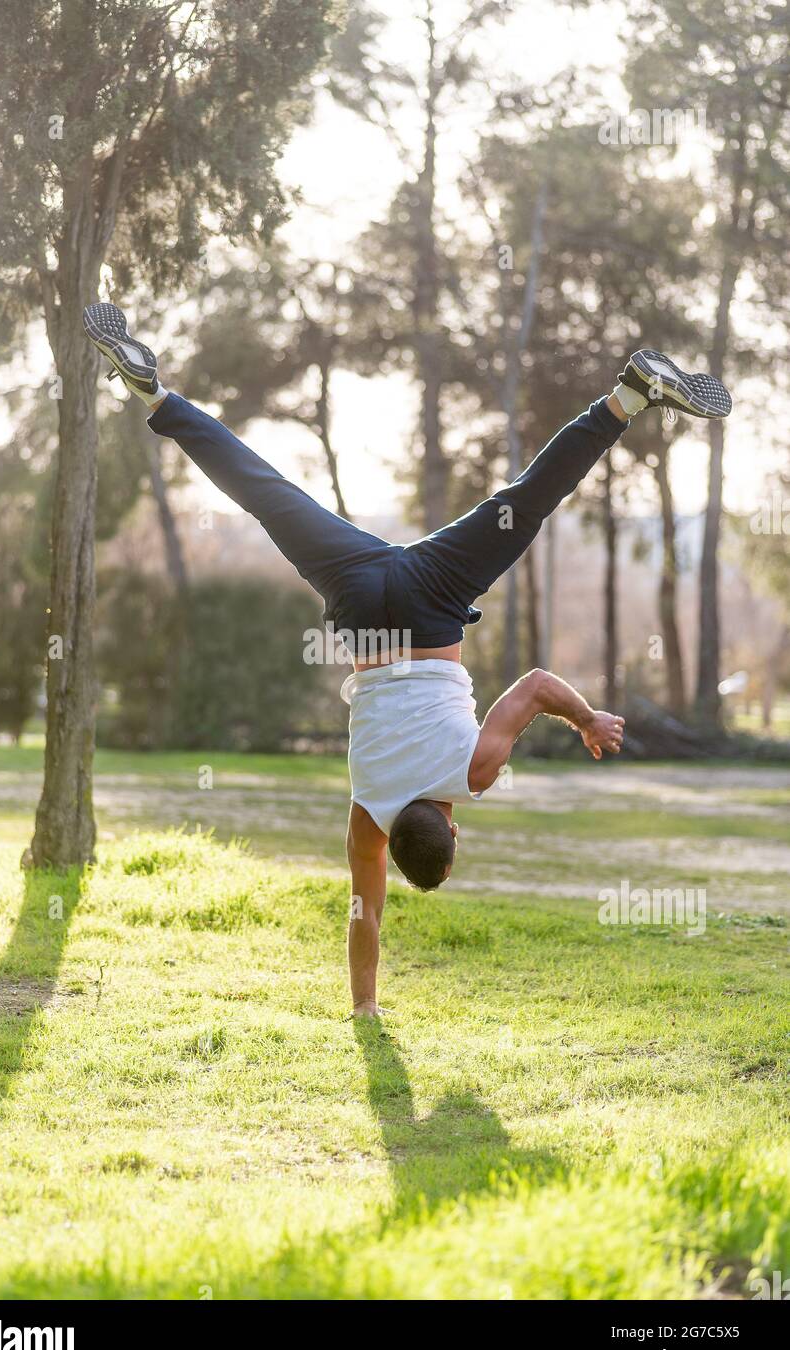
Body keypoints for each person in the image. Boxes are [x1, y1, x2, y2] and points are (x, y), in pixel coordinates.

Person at [83, 303, 732, 1017]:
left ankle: (627, 396)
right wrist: (362, 1008)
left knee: (528, 501)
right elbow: (363, 917)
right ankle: (155, 396)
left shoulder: (473, 774)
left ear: (452, 829)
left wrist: (584, 720)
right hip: (359, 600)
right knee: (266, 494)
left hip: (434, 596)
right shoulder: (367, 818)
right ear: (399, 839)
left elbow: (536, 685)